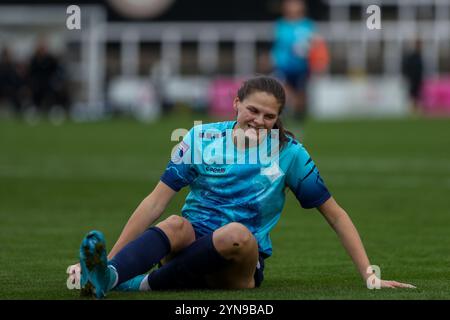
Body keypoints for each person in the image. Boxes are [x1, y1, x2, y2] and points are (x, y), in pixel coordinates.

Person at [67, 76, 415, 299]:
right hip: (187, 246)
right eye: (252, 110)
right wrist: (109, 257)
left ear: (278, 118)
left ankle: (137, 284)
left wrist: (370, 275)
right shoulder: (201, 137)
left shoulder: (289, 153)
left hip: (240, 262)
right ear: (236, 104)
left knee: (235, 232)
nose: (259, 121)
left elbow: (336, 216)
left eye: (269, 116)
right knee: (174, 223)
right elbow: (155, 203)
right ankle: (107, 274)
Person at [270, 0, 316, 121]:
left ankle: (298, 119)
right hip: (283, 66)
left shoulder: (307, 24)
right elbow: (278, 45)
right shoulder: (281, 24)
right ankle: (283, 117)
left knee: (300, 96)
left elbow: (312, 44)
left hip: (301, 66)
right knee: (284, 93)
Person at [402, 39, 424, 115]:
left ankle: (416, 110)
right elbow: (407, 68)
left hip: (418, 80)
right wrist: (409, 76)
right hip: (413, 79)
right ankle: (412, 111)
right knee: (413, 95)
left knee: (417, 95)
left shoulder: (419, 56)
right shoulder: (412, 56)